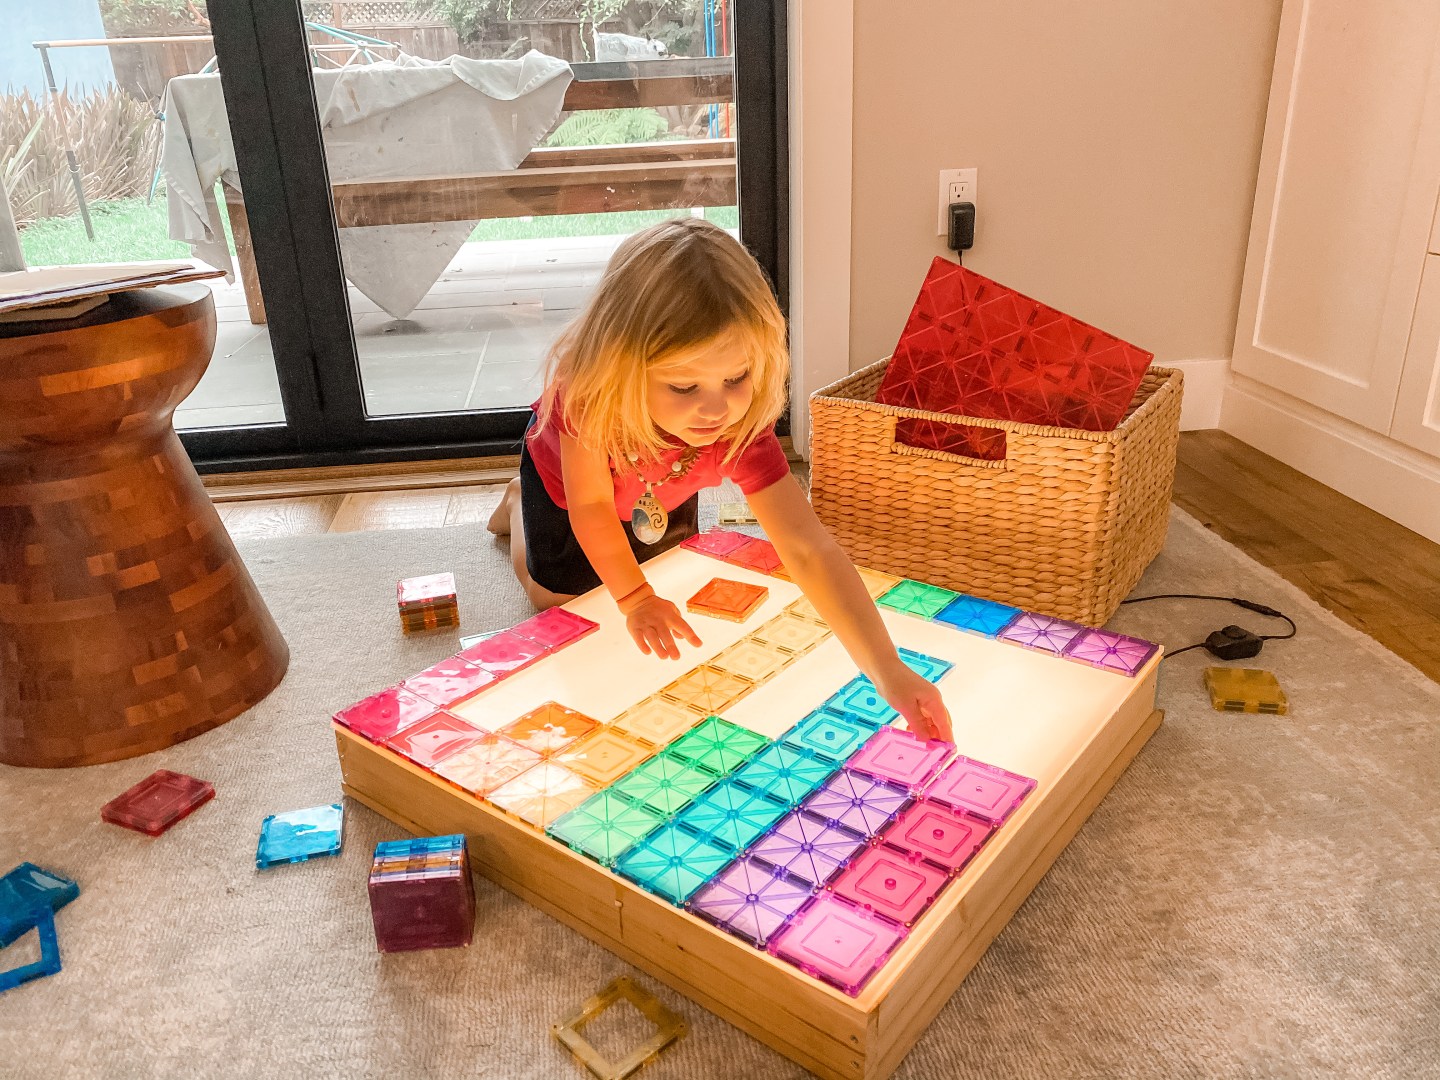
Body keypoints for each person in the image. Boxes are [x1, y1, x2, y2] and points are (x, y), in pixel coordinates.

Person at [487, 218, 952, 741]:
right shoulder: (592, 399)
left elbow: (808, 548)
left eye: (737, 377)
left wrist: (888, 671)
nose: (717, 408)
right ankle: (517, 501)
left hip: (658, 491)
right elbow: (591, 507)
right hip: (566, 483)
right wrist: (636, 599)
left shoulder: (739, 426)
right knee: (558, 599)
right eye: (684, 385)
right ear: (621, 367)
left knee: (669, 569)